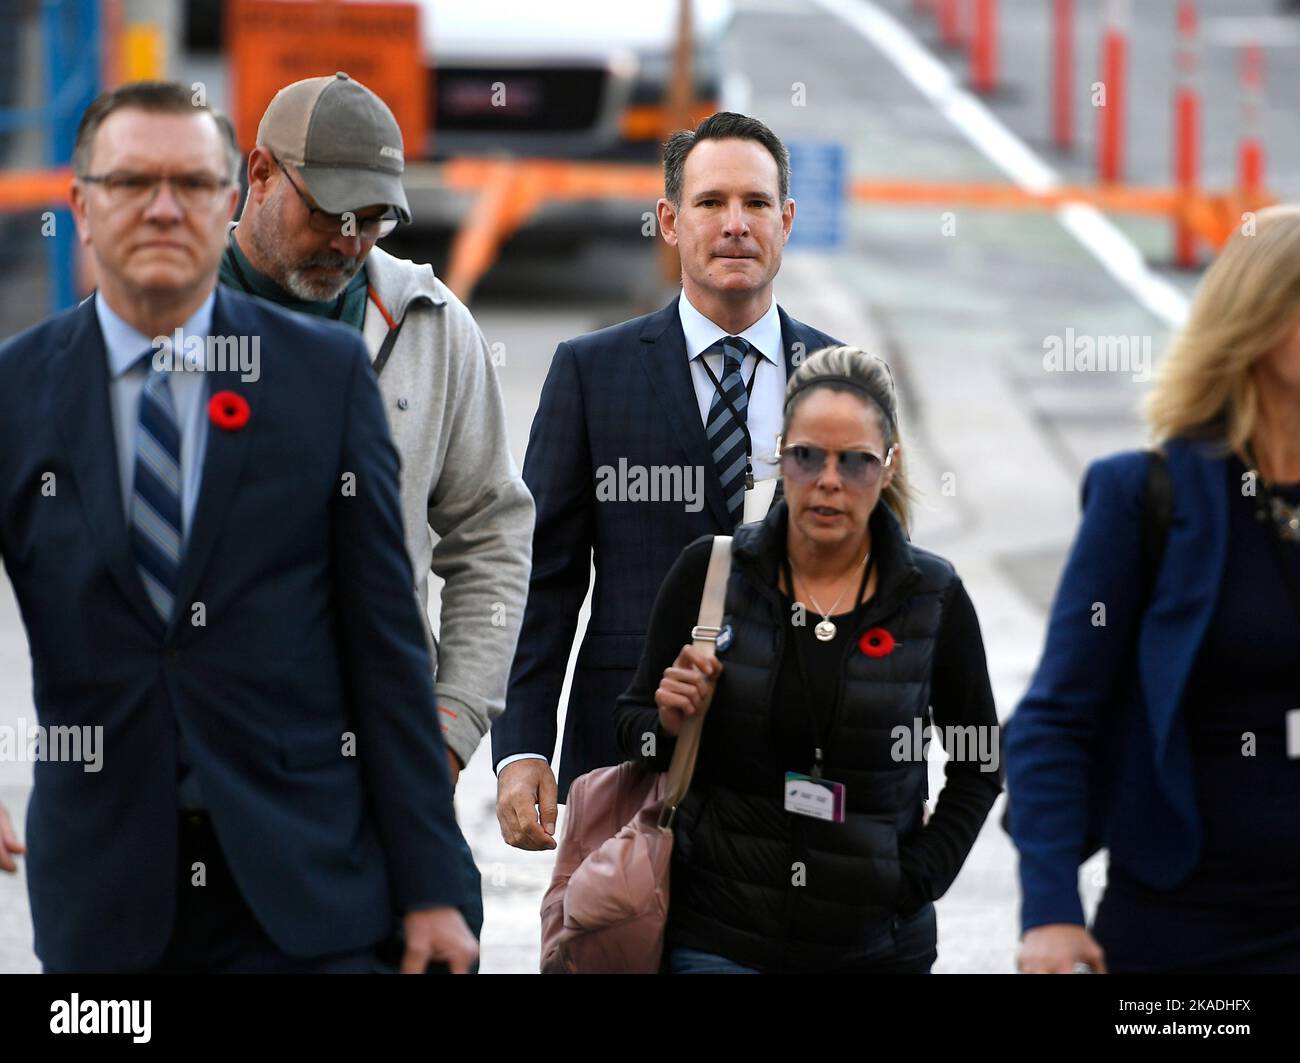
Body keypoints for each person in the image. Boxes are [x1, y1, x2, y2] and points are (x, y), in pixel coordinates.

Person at [0, 81, 477, 973]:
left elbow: (384, 648)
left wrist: (434, 887)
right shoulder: (18, 393)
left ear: (231, 195)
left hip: (305, 893)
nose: (162, 207)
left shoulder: (321, 378)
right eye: (132, 181)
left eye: (191, 181)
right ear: (80, 205)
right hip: (102, 905)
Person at [494, 112, 841, 849]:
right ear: (669, 222)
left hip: (792, 758)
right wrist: (524, 746)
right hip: (624, 747)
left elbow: (881, 585)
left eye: (755, 204)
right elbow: (543, 579)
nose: (735, 224)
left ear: (787, 219)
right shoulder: (591, 372)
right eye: (711, 203)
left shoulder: (841, 379)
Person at [614, 346, 1002, 973]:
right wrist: (666, 722)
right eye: (807, 457)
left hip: (873, 946)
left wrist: (915, 879)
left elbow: (980, 761)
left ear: (889, 465)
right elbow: (633, 729)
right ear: (779, 454)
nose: (828, 480)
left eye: (855, 462)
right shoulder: (712, 573)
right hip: (719, 937)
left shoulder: (932, 598)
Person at [1010, 205, 1300, 974]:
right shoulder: (1146, 496)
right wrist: (1050, 911)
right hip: (1182, 925)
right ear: (1259, 317)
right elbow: (1054, 720)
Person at [222, 73, 533, 780]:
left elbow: (493, 530)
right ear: (262, 173)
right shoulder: (163, 318)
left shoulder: (432, 323)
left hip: (375, 759)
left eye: (371, 219)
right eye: (330, 214)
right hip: (201, 760)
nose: (349, 240)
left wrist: (452, 725)